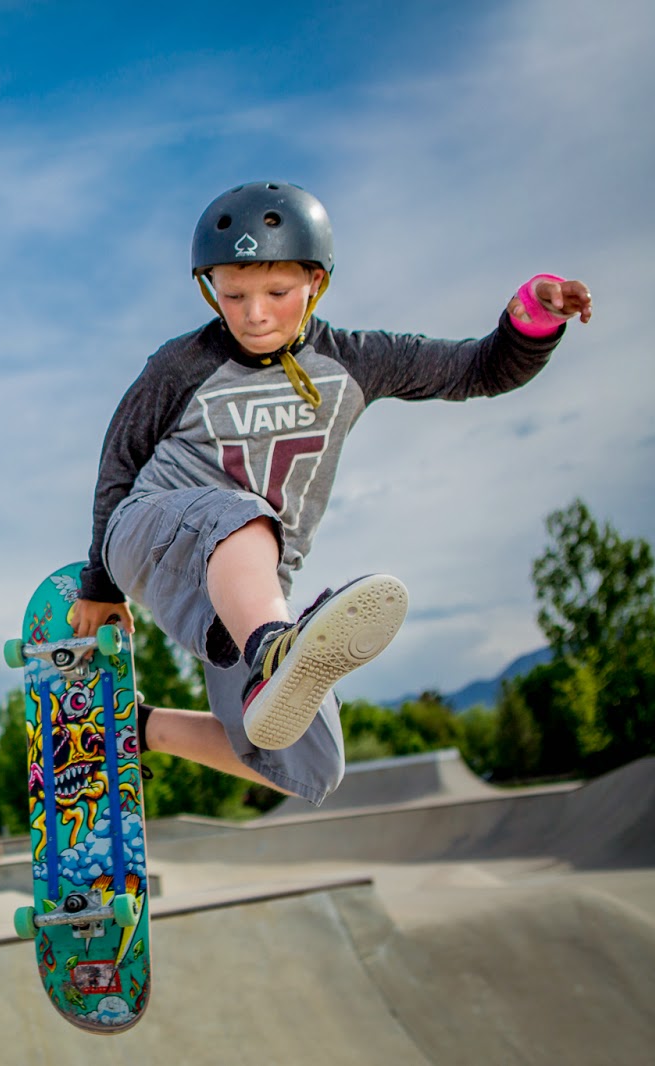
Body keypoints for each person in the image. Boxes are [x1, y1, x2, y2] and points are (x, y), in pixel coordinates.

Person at [71, 181, 592, 805]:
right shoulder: (180, 364)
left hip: (243, 591)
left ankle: (137, 729)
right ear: (211, 287)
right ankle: (273, 651)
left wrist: (534, 319)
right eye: (232, 295)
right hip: (152, 532)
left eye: (276, 293)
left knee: (310, 764)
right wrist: (101, 587)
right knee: (241, 514)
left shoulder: (354, 361)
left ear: (315, 281)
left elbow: (479, 369)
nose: (253, 314)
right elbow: (118, 460)